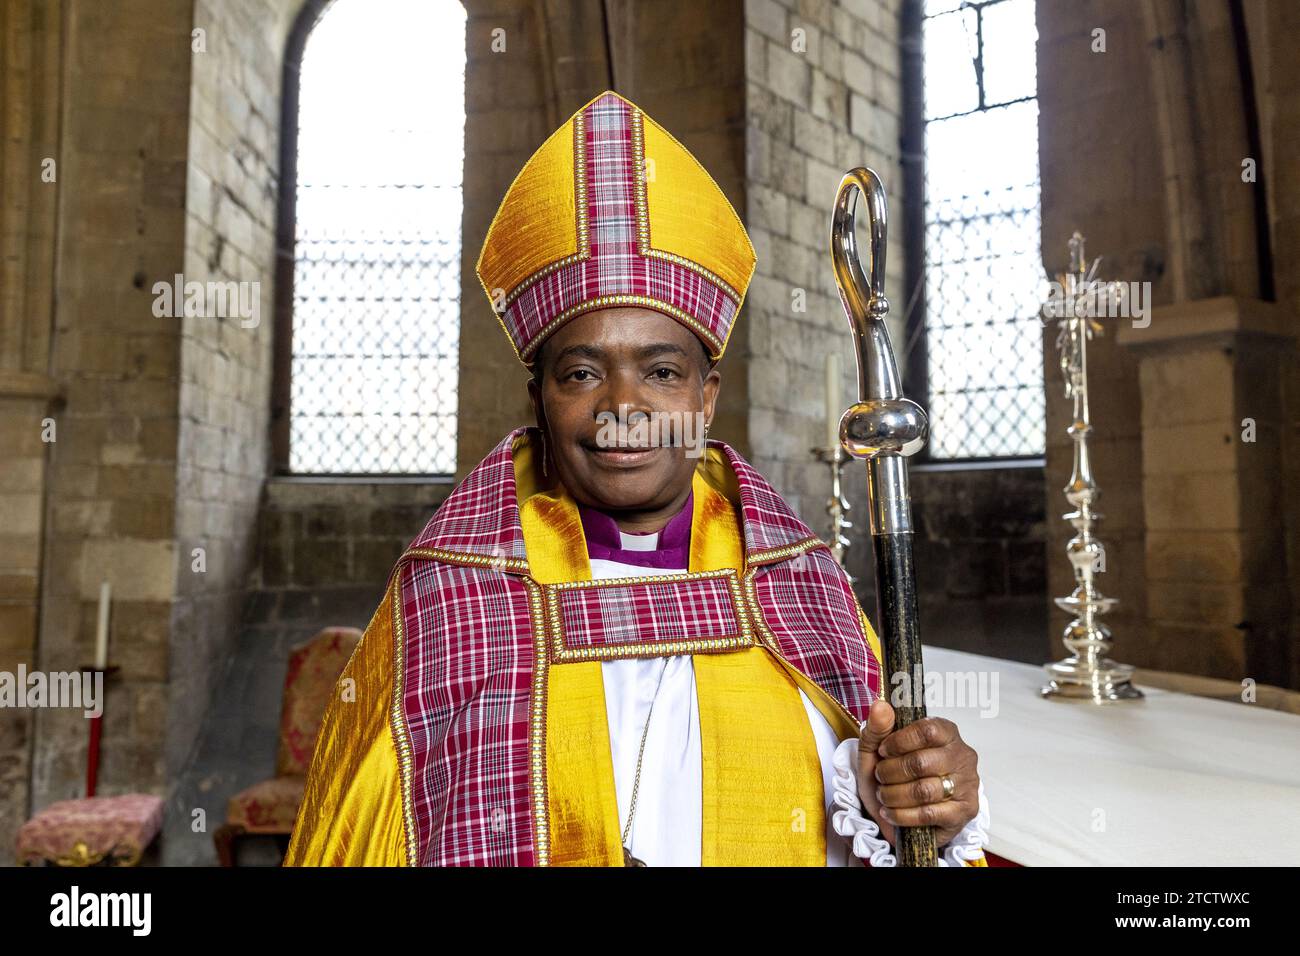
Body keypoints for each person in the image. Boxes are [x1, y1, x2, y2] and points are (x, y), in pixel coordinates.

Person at [285, 90, 989, 867]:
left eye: (660, 370)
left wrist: (916, 814)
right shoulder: (449, 599)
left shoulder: (799, 590)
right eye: (582, 372)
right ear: (538, 401)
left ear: (706, 395)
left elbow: (880, 835)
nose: (622, 407)